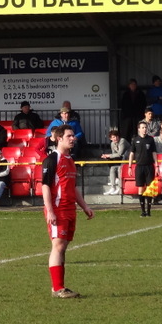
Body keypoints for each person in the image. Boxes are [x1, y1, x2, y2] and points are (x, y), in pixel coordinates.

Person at [41, 125, 94, 298]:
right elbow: (45, 186)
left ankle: (59, 287)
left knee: (63, 247)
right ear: (59, 138)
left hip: (70, 209)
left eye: (73, 136)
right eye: (69, 136)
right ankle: (58, 288)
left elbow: (72, 187)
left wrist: (84, 206)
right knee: (58, 245)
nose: (73, 138)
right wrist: (50, 211)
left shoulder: (70, 159)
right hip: (58, 208)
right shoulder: (52, 159)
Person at [128, 121, 158, 217]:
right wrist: (129, 166)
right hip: (139, 167)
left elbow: (154, 153)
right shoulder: (135, 140)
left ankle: (149, 211)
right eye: (143, 127)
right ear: (139, 129)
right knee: (140, 188)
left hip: (149, 166)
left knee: (149, 188)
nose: (145, 129)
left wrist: (156, 165)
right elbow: (132, 153)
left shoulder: (150, 140)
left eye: (145, 127)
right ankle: (142, 211)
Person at [101, 128, 130, 195]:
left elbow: (120, 153)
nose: (115, 138)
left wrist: (109, 155)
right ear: (110, 138)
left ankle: (120, 187)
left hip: (127, 159)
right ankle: (113, 187)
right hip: (120, 159)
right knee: (112, 168)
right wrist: (107, 156)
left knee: (119, 168)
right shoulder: (112, 144)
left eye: (116, 136)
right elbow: (114, 155)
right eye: (113, 137)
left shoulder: (122, 141)